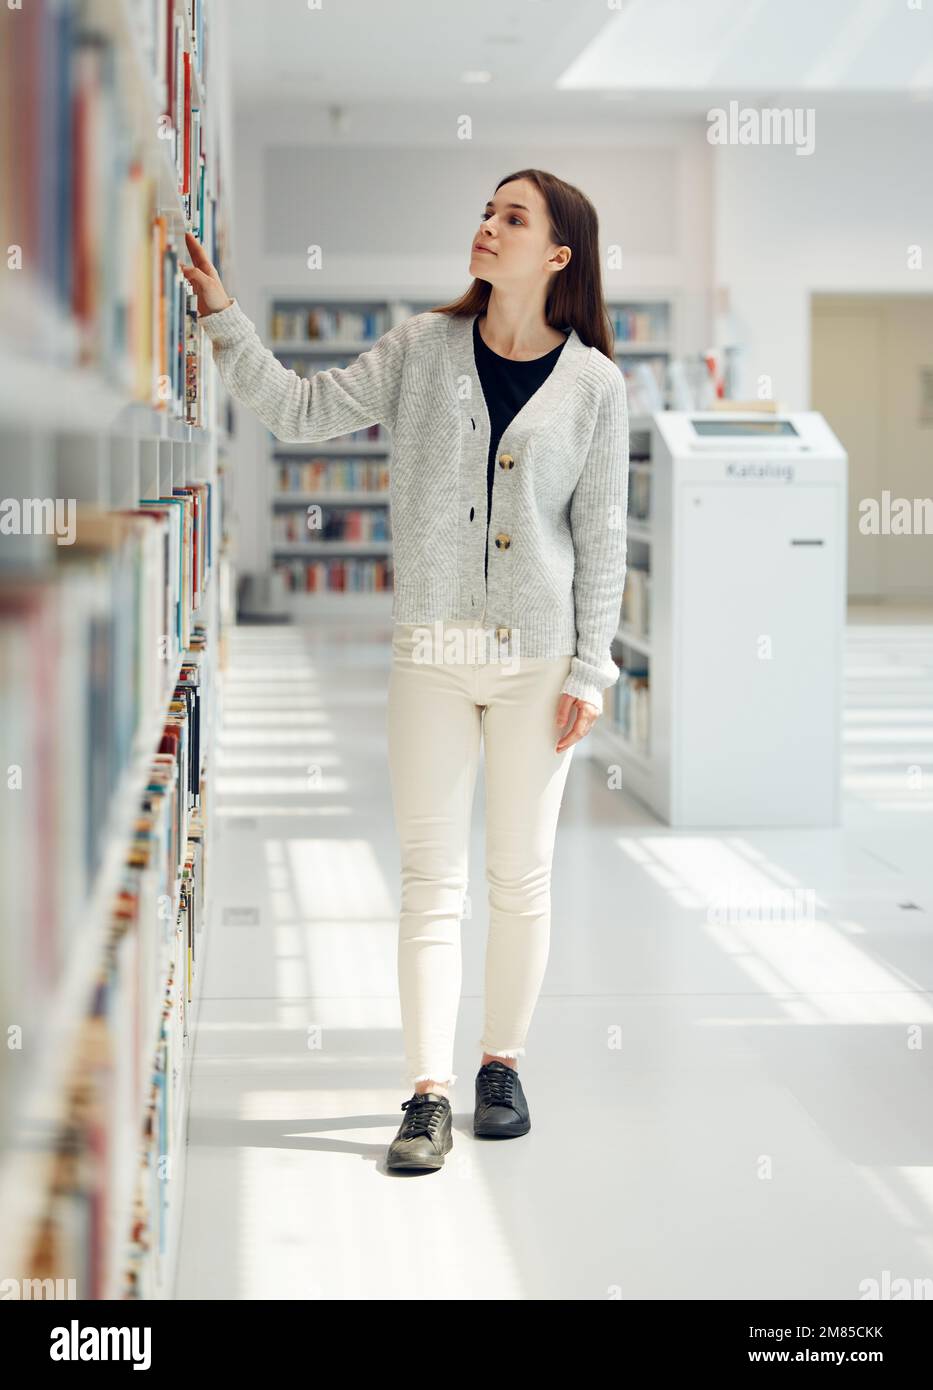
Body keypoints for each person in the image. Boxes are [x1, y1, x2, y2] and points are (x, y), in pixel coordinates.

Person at [184, 167, 629, 1173]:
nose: (487, 225)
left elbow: (603, 536)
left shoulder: (597, 384)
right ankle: (426, 1093)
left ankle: (500, 1064)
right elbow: (300, 411)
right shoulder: (422, 348)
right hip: (430, 654)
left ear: (557, 255)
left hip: (537, 662)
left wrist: (590, 671)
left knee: (520, 877)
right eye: (485, 209)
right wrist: (222, 318)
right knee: (432, 880)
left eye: (513, 218)